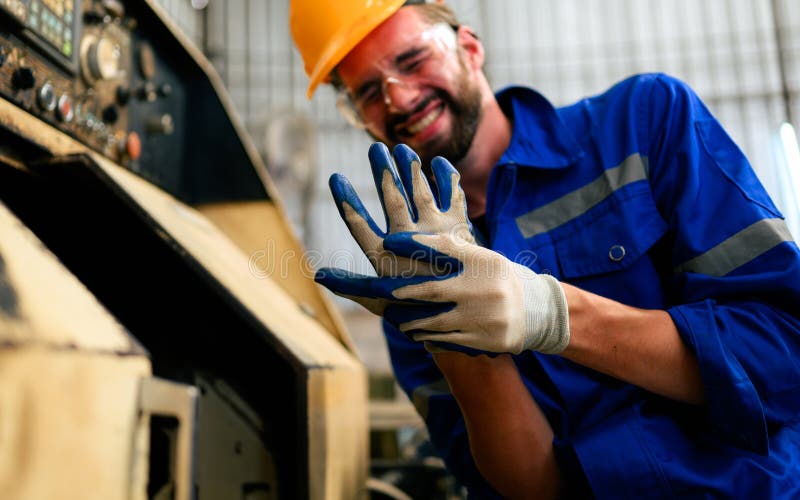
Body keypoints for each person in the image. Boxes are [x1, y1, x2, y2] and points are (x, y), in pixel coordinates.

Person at [290, 1, 800, 498]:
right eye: (369, 92)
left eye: (412, 61)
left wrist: (549, 314)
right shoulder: (413, 282)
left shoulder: (642, 128)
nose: (398, 100)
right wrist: (465, 350)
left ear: (469, 47)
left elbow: (783, 349)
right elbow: (523, 486)